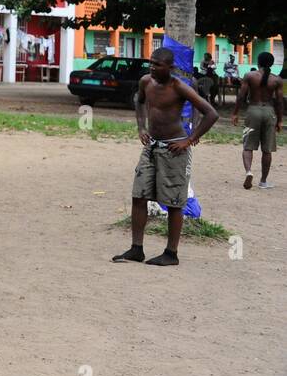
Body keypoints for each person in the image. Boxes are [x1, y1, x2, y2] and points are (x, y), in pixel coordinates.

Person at [113, 47, 219, 267]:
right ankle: (136, 249)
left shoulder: (179, 86)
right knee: (139, 195)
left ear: (170, 68)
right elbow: (140, 101)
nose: (152, 67)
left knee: (173, 202)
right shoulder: (146, 82)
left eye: (157, 64)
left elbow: (211, 113)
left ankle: (171, 253)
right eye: (150, 63)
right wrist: (141, 127)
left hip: (174, 149)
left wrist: (189, 140)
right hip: (151, 146)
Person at [231, 51, 283, 190]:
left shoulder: (250, 76)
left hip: (253, 111)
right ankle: (263, 181)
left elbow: (241, 96)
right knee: (267, 149)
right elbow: (279, 102)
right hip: (269, 112)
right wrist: (280, 120)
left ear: (258, 62)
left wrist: (235, 113)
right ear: (271, 63)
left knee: (248, 146)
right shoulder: (276, 80)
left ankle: (249, 172)